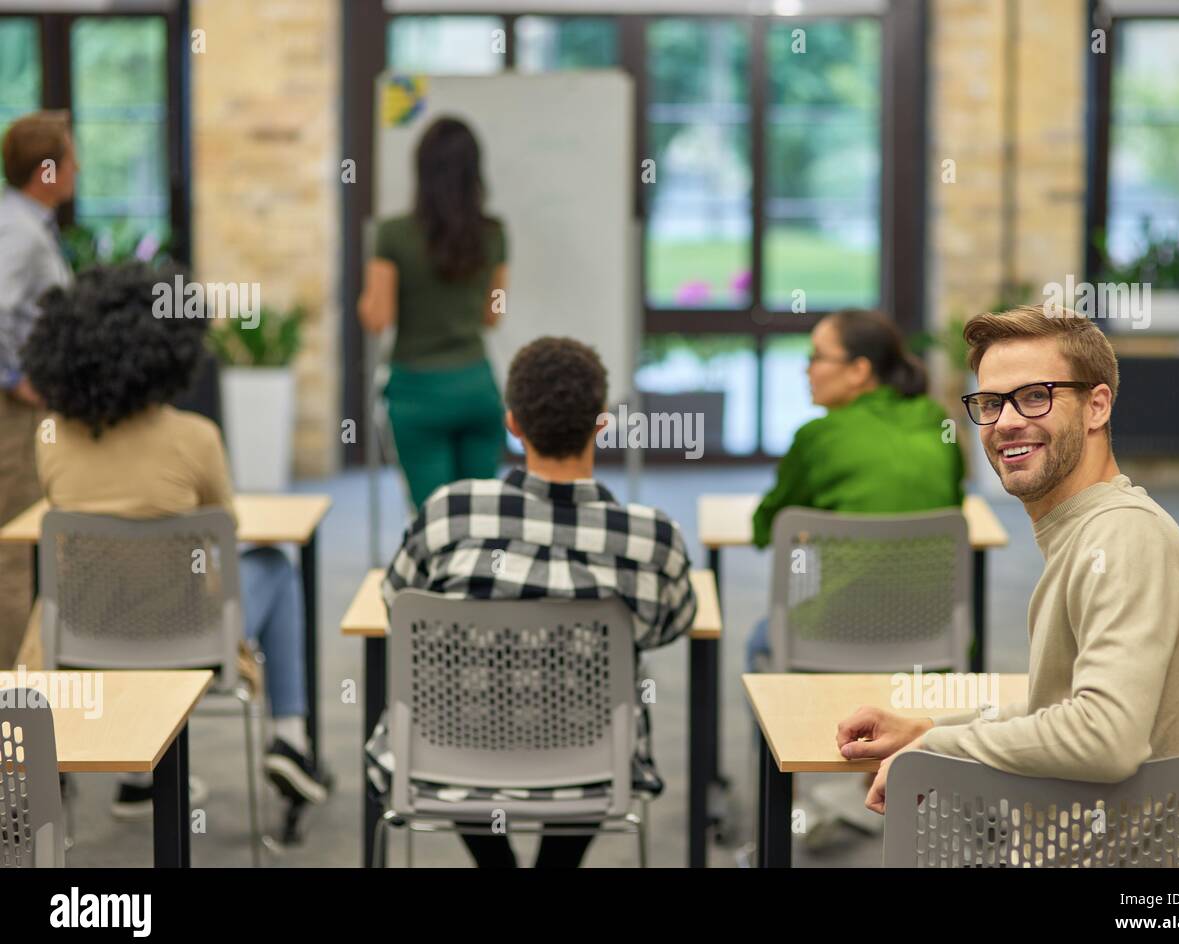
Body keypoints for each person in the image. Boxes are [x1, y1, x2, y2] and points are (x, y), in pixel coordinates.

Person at [836, 304, 1179, 867]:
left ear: (1097, 406)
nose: (1007, 422)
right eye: (992, 402)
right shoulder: (1088, 532)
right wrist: (930, 726)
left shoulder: (1121, 538)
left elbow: (1104, 737)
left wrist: (937, 749)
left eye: (1036, 396)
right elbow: (1063, 707)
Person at [23, 262, 331, 817]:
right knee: (274, 567)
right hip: (189, 642)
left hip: (81, 642)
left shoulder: (52, 439)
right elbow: (224, 528)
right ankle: (290, 736)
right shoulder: (196, 438)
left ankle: (138, 772)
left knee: (111, 582)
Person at [379, 336, 697, 868]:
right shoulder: (650, 539)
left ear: (512, 423)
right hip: (594, 762)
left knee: (455, 705)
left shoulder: (448, 514)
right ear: (602, 424)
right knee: (589, 715)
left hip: (451, 751)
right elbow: (672, 623)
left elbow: (399, 607)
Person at [746, 309, 965, 671]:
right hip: (933, 639)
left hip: (832, 635)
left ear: (859, 370)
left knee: (760, 640)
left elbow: (765, 528)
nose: (807, 369)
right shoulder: (936, 423)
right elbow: (950, 508)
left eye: (816, 357)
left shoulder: (818, 438)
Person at [358, 116, 507, 507]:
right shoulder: (492, 233)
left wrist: (366, 297)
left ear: (421, 170)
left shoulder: (392, 234)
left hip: (417, 394)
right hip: (477, 386)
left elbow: (379, 318)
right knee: (480, 515)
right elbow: (494, 315)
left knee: (436, 521)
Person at [0, 110, 75, 667]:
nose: (78, 168)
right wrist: (14, 380)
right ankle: (13, 701)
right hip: (10, 414)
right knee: (14, 552)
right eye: (70, 159)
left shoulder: (29, 226)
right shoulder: (18, 232)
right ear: (45, 171)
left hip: (24, 411)